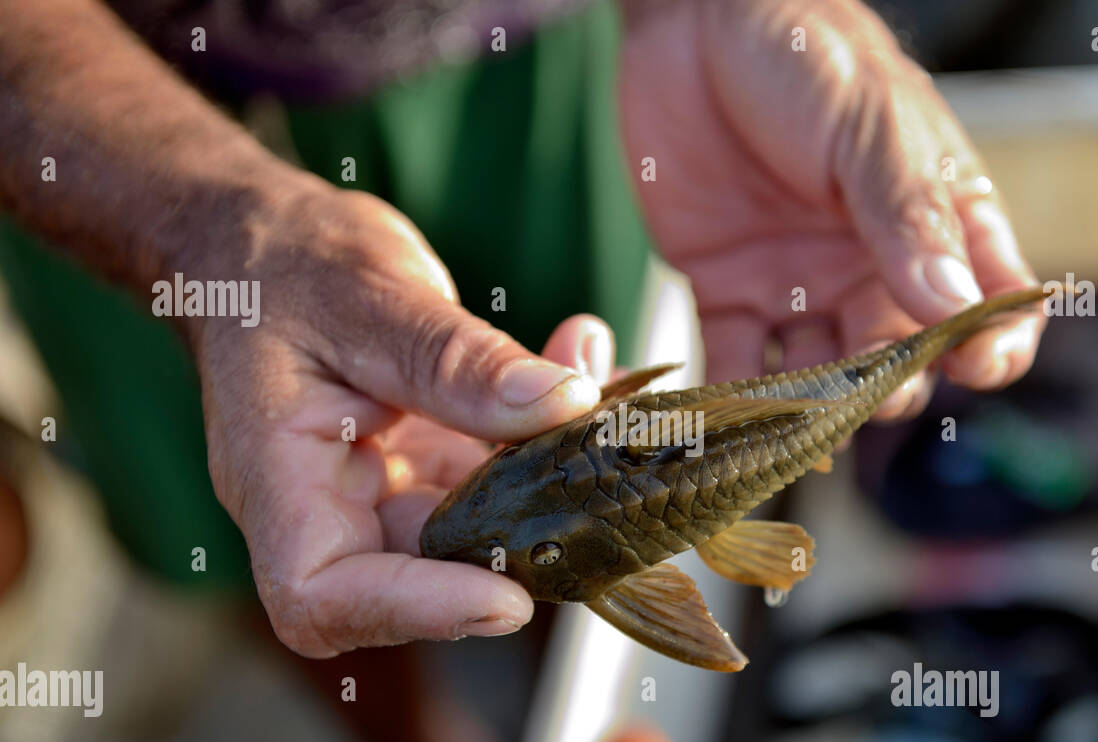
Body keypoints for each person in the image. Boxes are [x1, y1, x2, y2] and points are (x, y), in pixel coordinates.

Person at [0, 0, 1043, 660]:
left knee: (346, 494)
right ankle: (420, 741)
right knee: (248, 518)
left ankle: (485, 711)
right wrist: (192, 222)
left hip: (526, 45)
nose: (471, 487)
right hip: (92, 123)